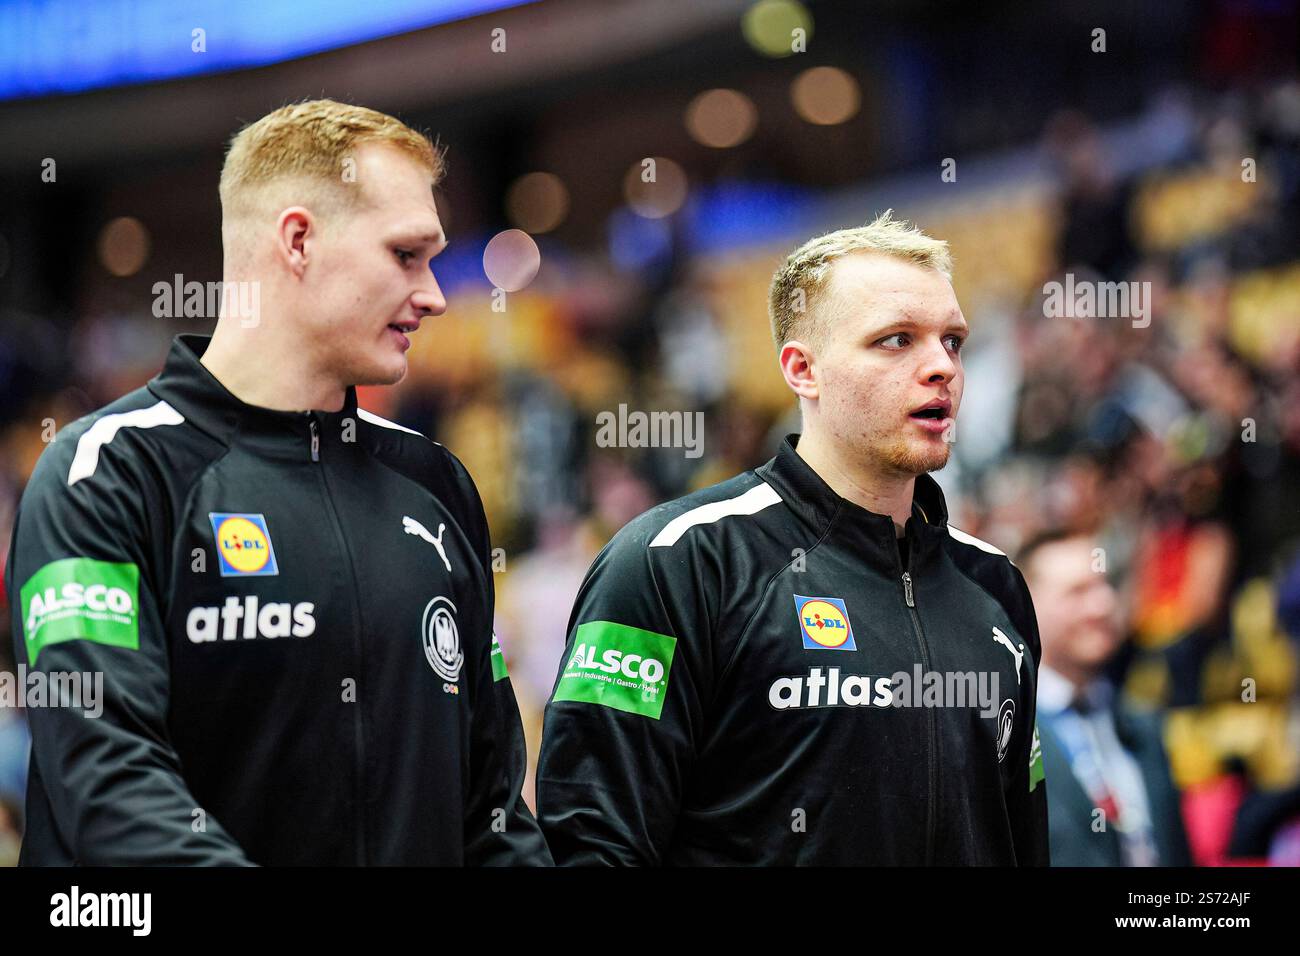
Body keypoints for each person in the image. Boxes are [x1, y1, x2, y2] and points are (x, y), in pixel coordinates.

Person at [6, 100, 550, 865]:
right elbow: (106, 787)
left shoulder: (435, 484)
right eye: (405, 255)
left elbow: (490, 809)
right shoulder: (108, 471)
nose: (433, 293)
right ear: (298, 240)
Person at [536, 212, 1050, 864]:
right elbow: (592, 846)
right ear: (802, 370)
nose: (940, 367)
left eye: (953, 341)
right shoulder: (677, 561)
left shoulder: (995, 584)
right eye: (896, 341)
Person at [1018, 529, 1190, 866]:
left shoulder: (1144, 726)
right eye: (1077, 592)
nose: (1103, 605)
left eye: (1105, 585)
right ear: (1025, 606)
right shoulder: (1007, 740)